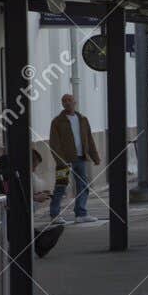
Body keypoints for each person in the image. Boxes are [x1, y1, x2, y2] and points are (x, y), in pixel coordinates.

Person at [47, 92, 99, 223]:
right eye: (64, 101)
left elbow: (89, 139)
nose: (67, 103)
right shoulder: (57, 122)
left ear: (75, 102)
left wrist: (95, 156)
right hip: (64, 161)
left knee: (83, 186)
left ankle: (81, 214)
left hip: (80, 158)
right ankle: (54, 215)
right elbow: (54, 143)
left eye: (69, 100)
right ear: (62, 104)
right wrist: (61, 160)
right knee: (60, 186)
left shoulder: (83, 119)